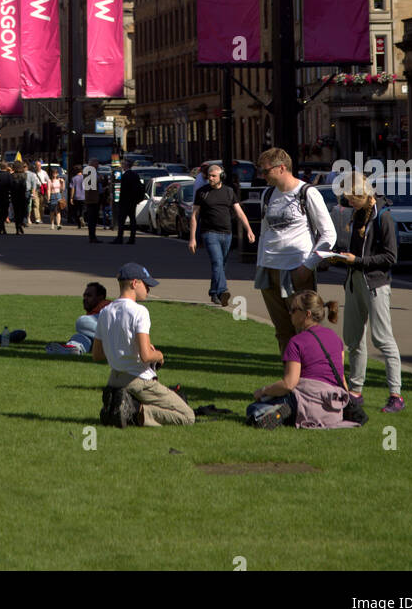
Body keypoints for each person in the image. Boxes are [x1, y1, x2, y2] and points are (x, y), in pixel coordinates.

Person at [328, 171, 405, 414]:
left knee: (383, 339)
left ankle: (396, 395)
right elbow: (355, 251)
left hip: (375, 284)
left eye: (352, 198)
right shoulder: (359, 213)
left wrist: (357, 260)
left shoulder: (383, 217)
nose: (348, 203)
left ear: (363, 194)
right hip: (354, 282)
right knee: (353, 339)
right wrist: (339, 256)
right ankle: (355, 391)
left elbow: (391, 257)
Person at [253, 147, 336, 353]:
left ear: (281, 168)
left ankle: (311, 377)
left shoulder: (307, 193)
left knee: (304, 329)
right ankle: (291, 378)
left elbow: (329, 235)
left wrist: (307, 266)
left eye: (265, 171)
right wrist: (260, 264)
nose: (262, 176)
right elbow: (265, 233)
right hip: (269, 269)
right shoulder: (268, 193)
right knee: (282, 331)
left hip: (296, 269)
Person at [93, 263, 195, 427]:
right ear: (135, 283)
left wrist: (121, 350)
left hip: (114, 380)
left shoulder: (105, 311)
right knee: (188, 416)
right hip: (138, 381)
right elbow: (146, 356)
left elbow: (97, 354)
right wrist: (159, 355)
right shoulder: (139, 311)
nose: (149, 289)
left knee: (173, 403)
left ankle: (118, 407)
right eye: (146, 285)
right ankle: (134, 411)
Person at [250, 289, 358, 429]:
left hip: (304, 404)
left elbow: (289, 384)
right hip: (333, 409)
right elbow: (341, 378)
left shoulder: (296, 342)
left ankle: (281, 413)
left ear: (307, 314)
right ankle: (283, 413)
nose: (290, 313)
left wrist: (264, 390)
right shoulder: (336, 340)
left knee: (254, 408)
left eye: (294, 310)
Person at [189, 162, 255, 304]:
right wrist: (192, 238)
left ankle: (214, 292)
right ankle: (223, 291)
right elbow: (194, 215)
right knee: (217, 262)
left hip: (227, 233)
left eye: (214, 176)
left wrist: (249, 230)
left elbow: (239, 212)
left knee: (221, 265)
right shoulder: (202, 192)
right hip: (209, 233)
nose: (210, 178)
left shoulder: (229, 192)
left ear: (221, 176)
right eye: (209, 176)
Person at [46, 282, 110, 355]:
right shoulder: (93, 313)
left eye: (89, 296)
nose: (85, 298)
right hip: (105, 343)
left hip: (115, 337)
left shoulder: (108, 307)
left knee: (82, 321)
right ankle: (73, 348)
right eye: (84, 296)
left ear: (100, 297)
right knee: (81, 336)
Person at [112, 160, 143, 244]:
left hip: (125, 201)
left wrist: (118, 199)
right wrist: (137, 199)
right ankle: (132, 238)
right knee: (132, 219)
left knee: (121, 220)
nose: (122, 166)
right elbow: (139, 188)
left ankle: (120, 238)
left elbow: (122, 189)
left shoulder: (125, 176)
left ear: (126, 166)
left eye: (123, 164)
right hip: (133, 201)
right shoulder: (135, 175)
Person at [83, 160, 101, 242]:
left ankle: (93, 236)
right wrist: (98, 180)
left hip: (95, 199)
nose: (98, 165)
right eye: (97, 164)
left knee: (94, 219)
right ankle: (92, 237)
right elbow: (89, 186)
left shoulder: (94, 172)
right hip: (92, 199)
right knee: (92, 219)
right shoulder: (89, 172)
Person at [9, 161, 27, 234]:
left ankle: (17, 228)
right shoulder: (24, 175)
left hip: (14, 195)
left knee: (16, 212)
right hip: (22, 195)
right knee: (23, 211)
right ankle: (20, 224)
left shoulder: (11, 176)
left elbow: (10, 186)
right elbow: (25, 186)